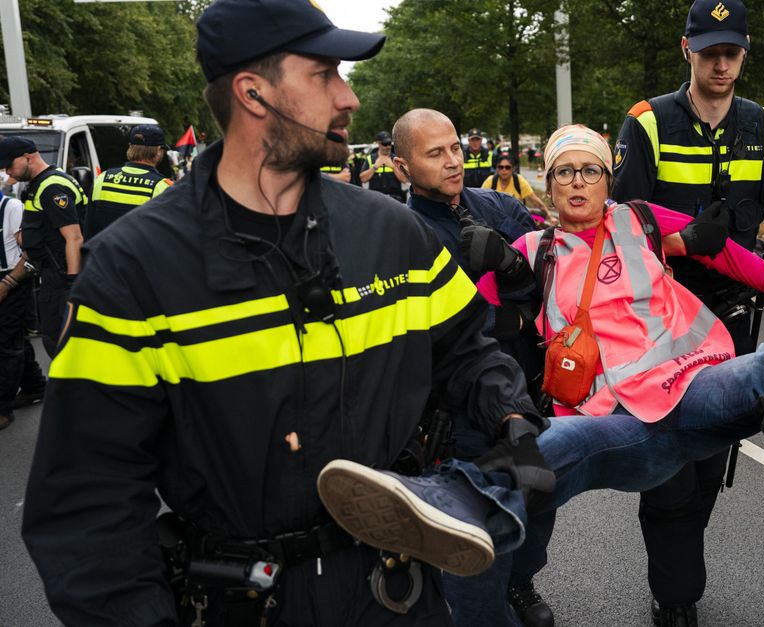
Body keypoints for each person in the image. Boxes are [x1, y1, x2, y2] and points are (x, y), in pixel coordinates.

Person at [317, 124, 764, 627]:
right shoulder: (533, 250)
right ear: (547, 183)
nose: (578, 180)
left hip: (698, 388)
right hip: (609, 424)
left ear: (608, 178)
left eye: (590, 168)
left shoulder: (640, 219)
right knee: (507, 495)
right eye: (565, 170)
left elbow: (725, 253)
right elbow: (453, 333)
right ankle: (455, 520)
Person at [19, 2, 549, 625]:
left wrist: (511, 415)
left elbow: (468, 349)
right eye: (325, 74)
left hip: (398, 595)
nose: (349, 97)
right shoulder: (135, 270)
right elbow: (87, 501)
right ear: (253, 93)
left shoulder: (392, 232)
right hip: (244, 604)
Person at [610, 1, 764, 622]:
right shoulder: (646, 123)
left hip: (734, 317)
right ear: (686, 49)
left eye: (732, 52)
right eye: (710, 52)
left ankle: (679, 570)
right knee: (669, 466)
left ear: (744, 52)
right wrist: (686, 242)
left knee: (706, 462)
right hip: (663, 319)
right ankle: (676, 598)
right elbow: (617, 230)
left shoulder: (760, 125)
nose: (722, 64)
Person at [390, 107, 553, 627]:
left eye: (456, 148)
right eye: (435, 153)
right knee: (469, 521)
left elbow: (553, 273)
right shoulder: (397, 231)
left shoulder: (500, 206)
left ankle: (521, 582)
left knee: (537, 500)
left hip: (525, 385)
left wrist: (510, 263)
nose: (453, 161)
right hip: (450, 407)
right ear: (401, 167)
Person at [0, 136, 87, 358]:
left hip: (62, 281)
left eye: (9, 165)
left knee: (63, 346)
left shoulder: (52, 187)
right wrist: (8, 283)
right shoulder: (38, 186)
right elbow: (38, 244)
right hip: (51, 277)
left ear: (28, 157)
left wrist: (72, 286)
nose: (8, 173)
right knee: (53, 342)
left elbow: (74, 238)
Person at [0, 189, 47, 430]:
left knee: (6, 343)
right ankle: (35, 384)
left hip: (13, 277)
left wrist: (7, 284)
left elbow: (30, 254)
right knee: (12, 335)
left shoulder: (13, 208)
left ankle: (3, 408)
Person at [87, 124, 173, 236]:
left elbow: (89, 228)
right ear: (158, 151)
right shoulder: (163, 186)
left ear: (130, 146)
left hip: (102, 252)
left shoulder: (102, 179)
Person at [482, 153, 550, 217]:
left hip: (517, 218)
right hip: (495, 218)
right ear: (497, 169)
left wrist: (549, 216)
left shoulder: (519, 180)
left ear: (512, 169)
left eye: (507, 167)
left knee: (539, 218)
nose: (504, 170)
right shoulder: (490, 181)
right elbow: (480, 200)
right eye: (501, 167)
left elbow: (535, 200)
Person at [360, 131, 408, 202]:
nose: (388, 147)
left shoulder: (396, 158)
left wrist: (393, 167)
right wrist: (375, 167)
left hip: (395, 199)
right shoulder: (370, 158)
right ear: (378, 144)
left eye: (389, 144)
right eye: (384, 144)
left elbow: (404, 179)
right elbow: (363, 179)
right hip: (376, 199)